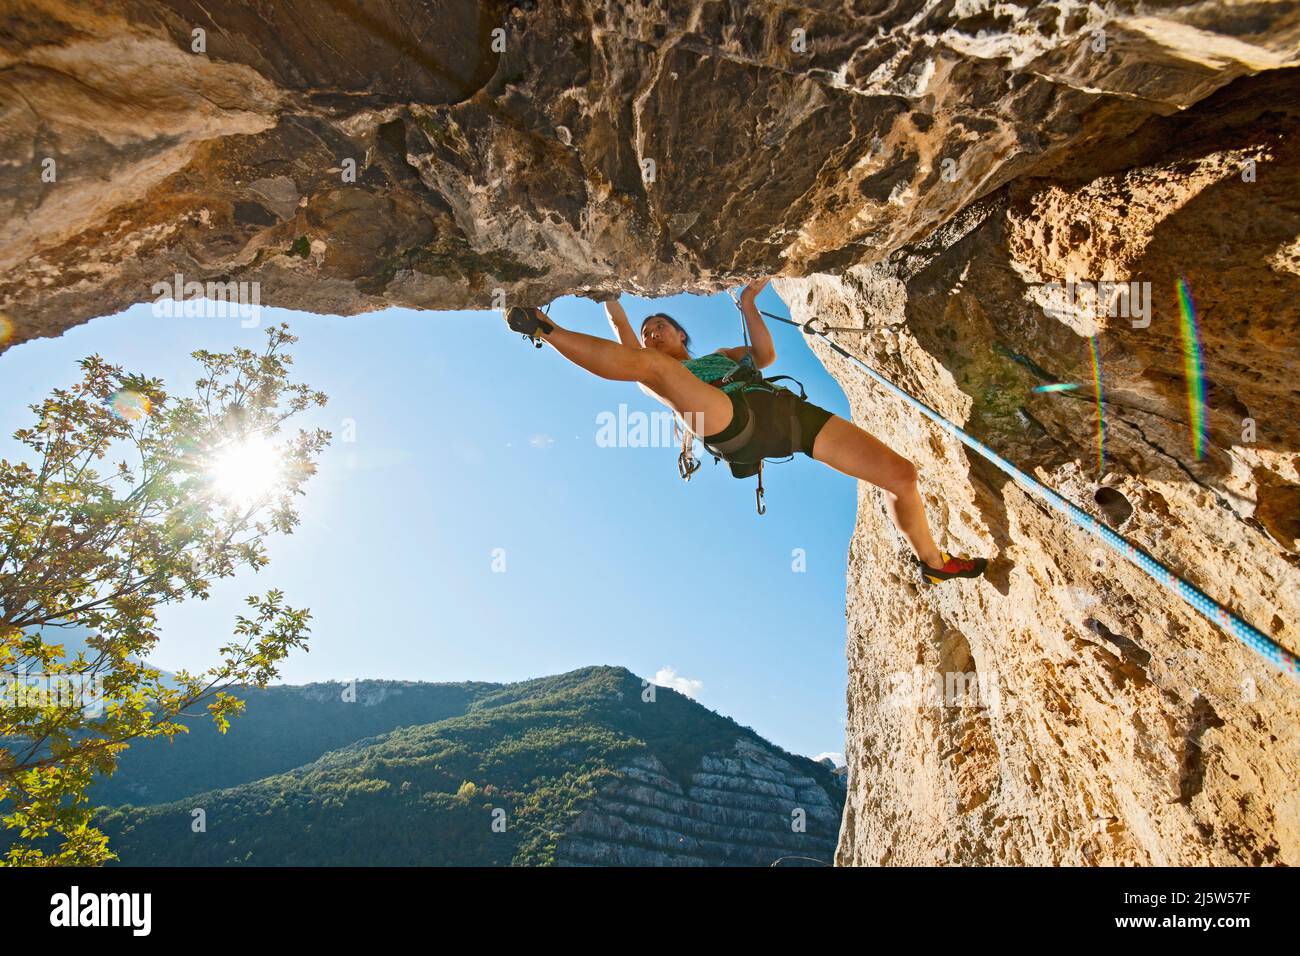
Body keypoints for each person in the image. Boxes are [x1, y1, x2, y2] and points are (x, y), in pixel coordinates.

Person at [503, 278, 988, 583]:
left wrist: (749, 302)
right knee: (656, 370)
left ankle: (933, 562)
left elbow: (765, 355)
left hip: (784, 419)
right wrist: (609, 295)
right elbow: (627, 344)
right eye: (647, 331)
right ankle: (544, 328)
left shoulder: (720, 357)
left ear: (681, 334)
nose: (652, 334)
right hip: (724, 423)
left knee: (900, 475)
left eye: (659, 326)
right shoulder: (653, 371)